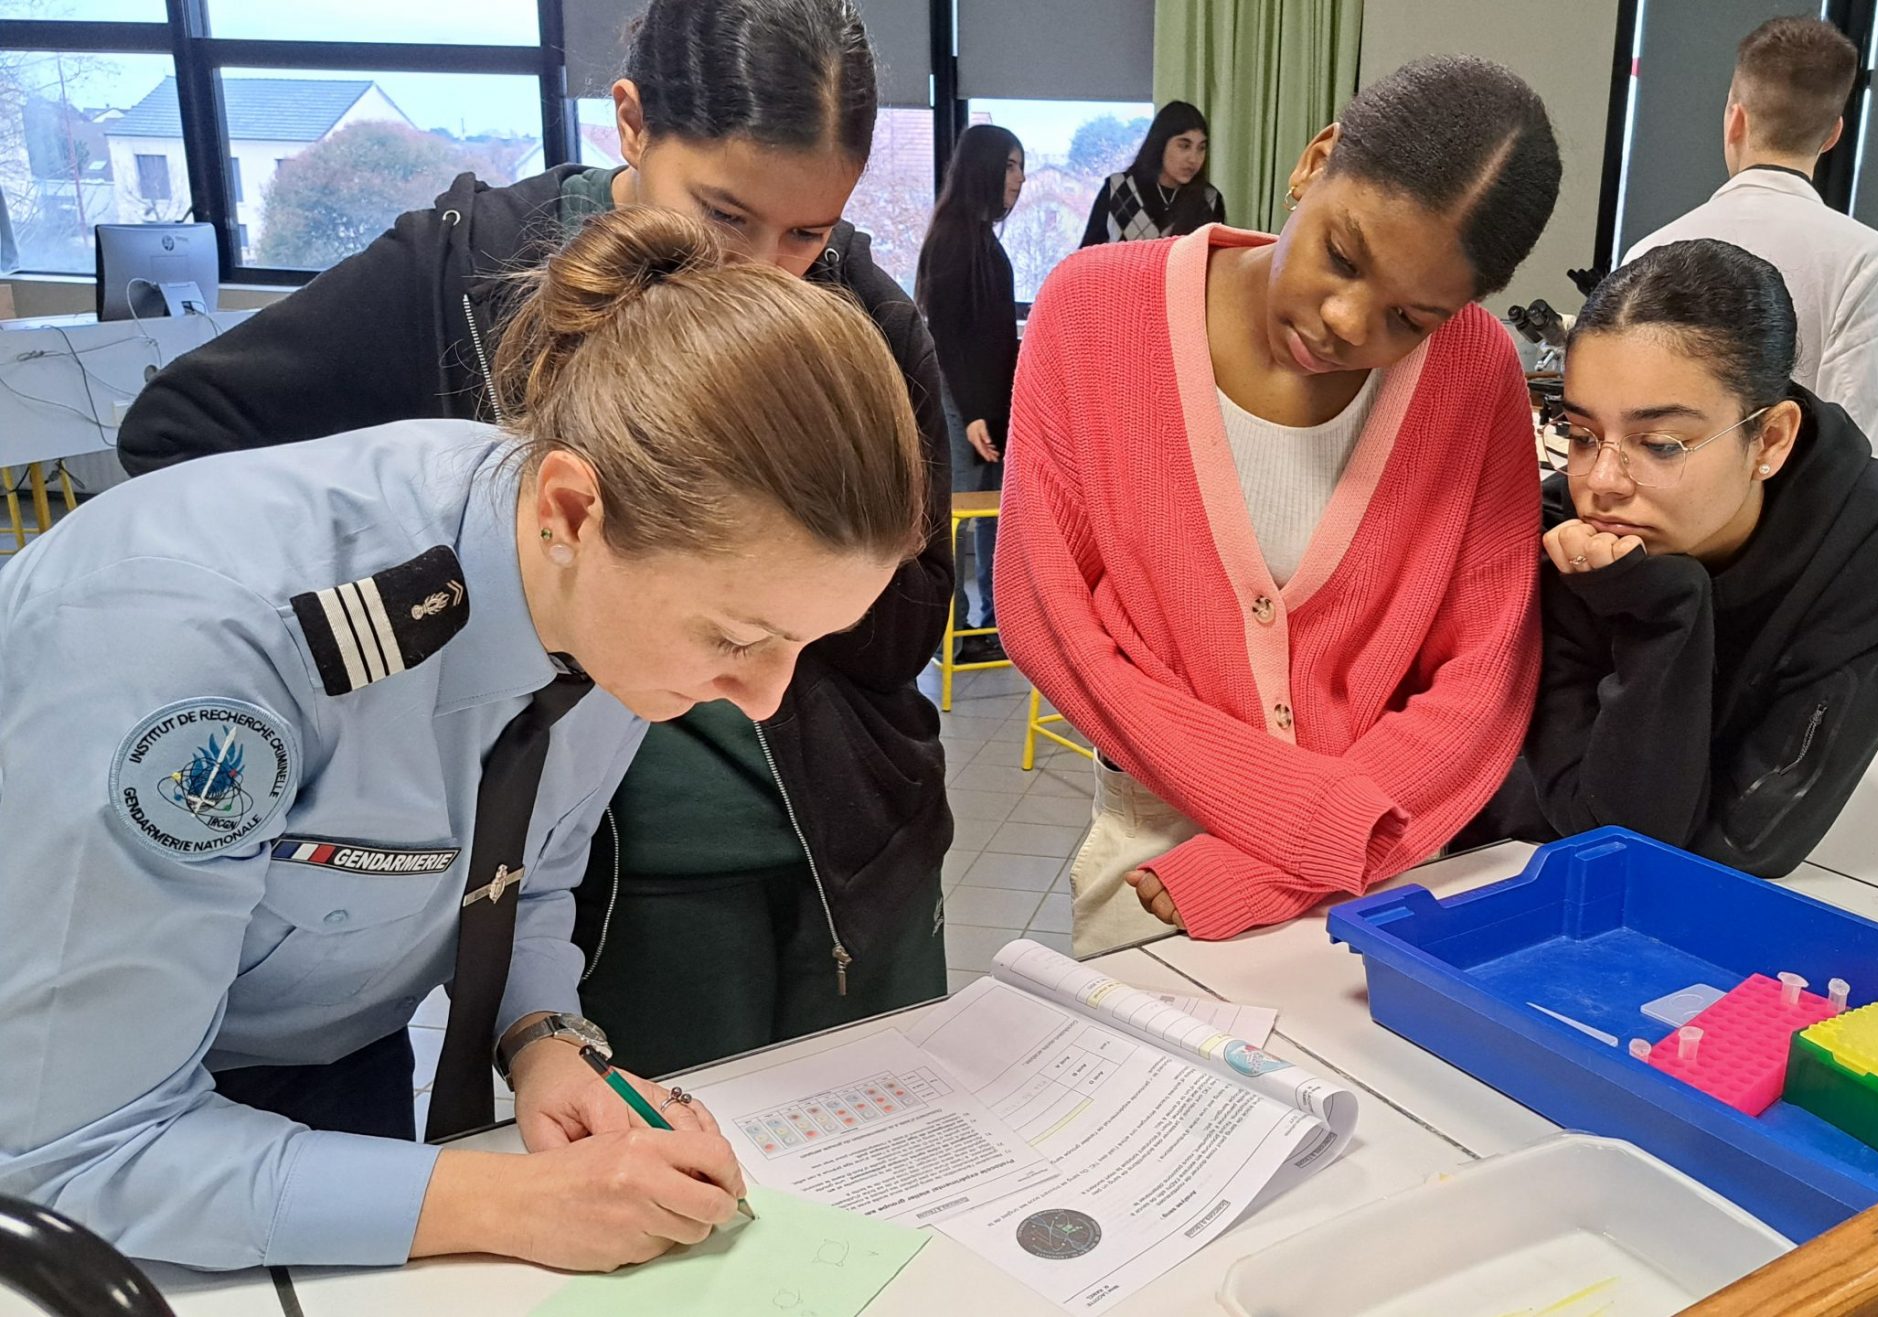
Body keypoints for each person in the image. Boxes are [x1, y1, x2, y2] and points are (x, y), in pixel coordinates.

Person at [0, 208, 928, 1270]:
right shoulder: (204, 650)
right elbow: (75, 1150)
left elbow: (521, 878)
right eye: (734, 637)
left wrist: (541, 1039)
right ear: (574, 513)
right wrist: (511, 1206)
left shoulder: (609, 577)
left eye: (799, 646)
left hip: (323, 1047)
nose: (761, 699)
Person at [113, 0, 954, 1079]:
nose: (761, 273)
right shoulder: (460, 273)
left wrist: (767, 584)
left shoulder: (862, 322)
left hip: (843, 841)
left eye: (807, 235)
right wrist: (414, 661)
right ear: (632, 124)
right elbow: (185, 449)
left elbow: (904, 616)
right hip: (608, 877)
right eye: (725, 217)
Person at [999, 56, 1562, 955]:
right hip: (1156, 871)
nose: (1348, 321)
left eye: (1411, 319)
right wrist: (1304, 816)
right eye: (1342, 255)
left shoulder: (1478, 373)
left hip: (1392, 861)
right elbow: (1048, 615)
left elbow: (1484, 675)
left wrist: (1277, 861)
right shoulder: (1091, 310)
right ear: (1315, 161)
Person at [1457, 239, 1878, 874]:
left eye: (1659, 444)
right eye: (1580, 435)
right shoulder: (1559, 535)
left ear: (1769, 439)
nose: (1601, 480)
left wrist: (1663, 608)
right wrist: (1653, 610)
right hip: (1497, 881)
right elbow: (1611, 834)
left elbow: (1748, 846)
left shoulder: (1873, 539)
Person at [1624, 15, 1878, 467]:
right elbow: (1872, 446)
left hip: (1667, 520)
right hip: (1808, 526)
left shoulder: (1648, 254)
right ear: (1834, 134)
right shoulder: (1869, 261)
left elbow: (1629, 421)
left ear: (1734, 119)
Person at [918, 124, 1024, 664]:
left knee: (988, 517)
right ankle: (953, 635)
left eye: (1020, 166)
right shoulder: (956, 238)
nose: (1019, 178)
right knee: (959, 518)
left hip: (983, 404)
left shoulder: (979, 237)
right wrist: (973, 414)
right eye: (1008, 165)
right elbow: (949, 336)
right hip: (964, 404)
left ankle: (987, 627)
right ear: (981, 167)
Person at [1079, 101, 1225, 246]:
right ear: (1161, 143)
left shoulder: (1209, 200)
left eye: (1201, 148)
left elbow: (1218, 262)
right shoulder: (1118, 189)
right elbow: (1086, 255)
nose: (1193, 159)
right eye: (1184, 146)